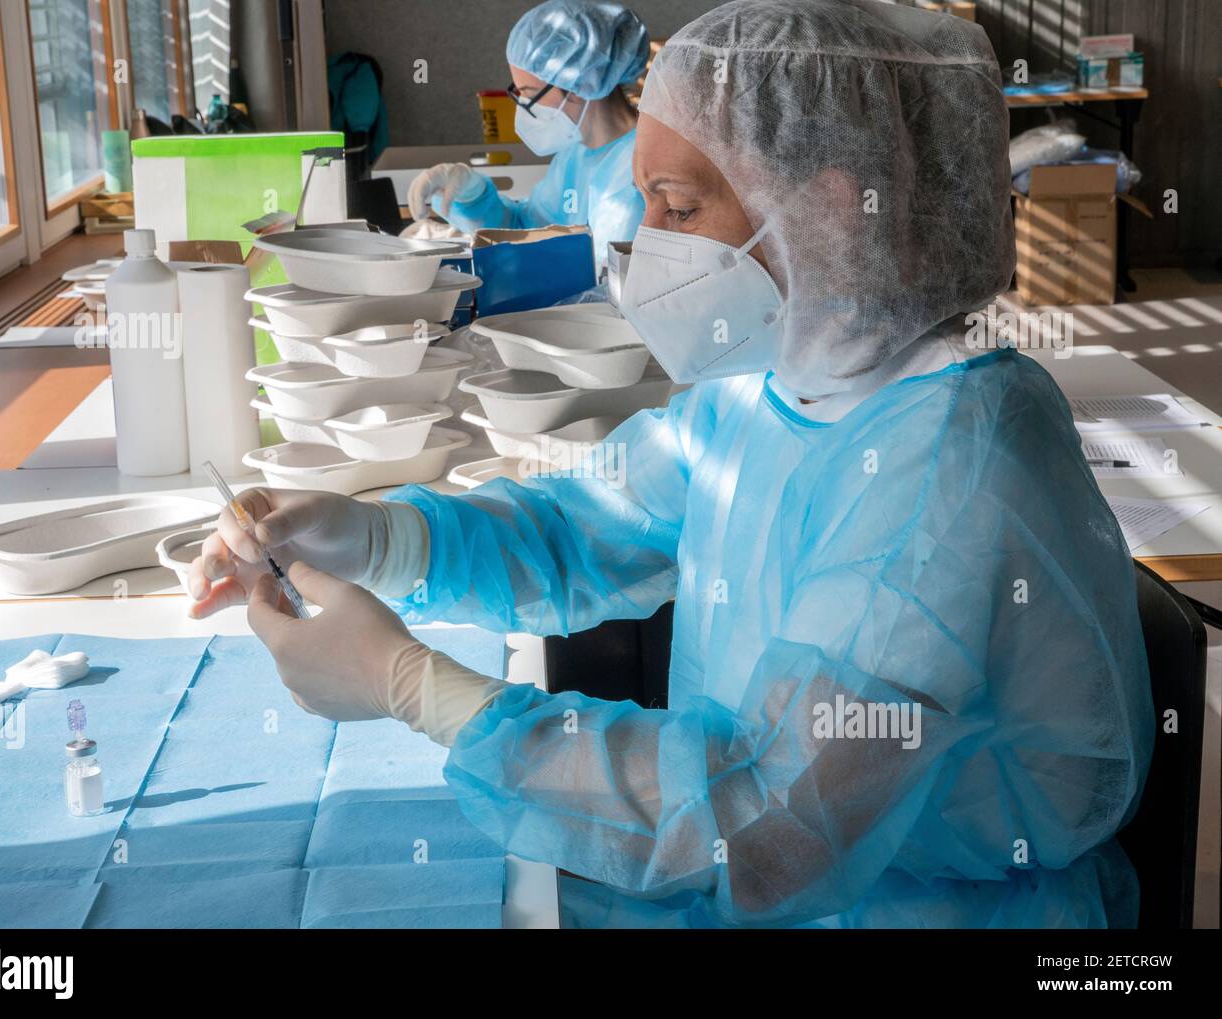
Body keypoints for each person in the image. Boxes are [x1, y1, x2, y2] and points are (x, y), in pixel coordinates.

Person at [191, 0, 1153, 928]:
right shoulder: (773, 381)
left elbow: (773, 828)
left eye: (678, 205)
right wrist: (377, 536)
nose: (644, 246)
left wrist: (416, 689)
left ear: (822, 205)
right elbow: (579, 527)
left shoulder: (949, 464)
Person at [407, 0, 648, 264]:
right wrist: (473, 197)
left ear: (581, 83)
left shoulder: (642, 164)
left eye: (529, 94)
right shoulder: (574, 156)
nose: (523, 107)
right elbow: (528, 229)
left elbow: (606, 279)